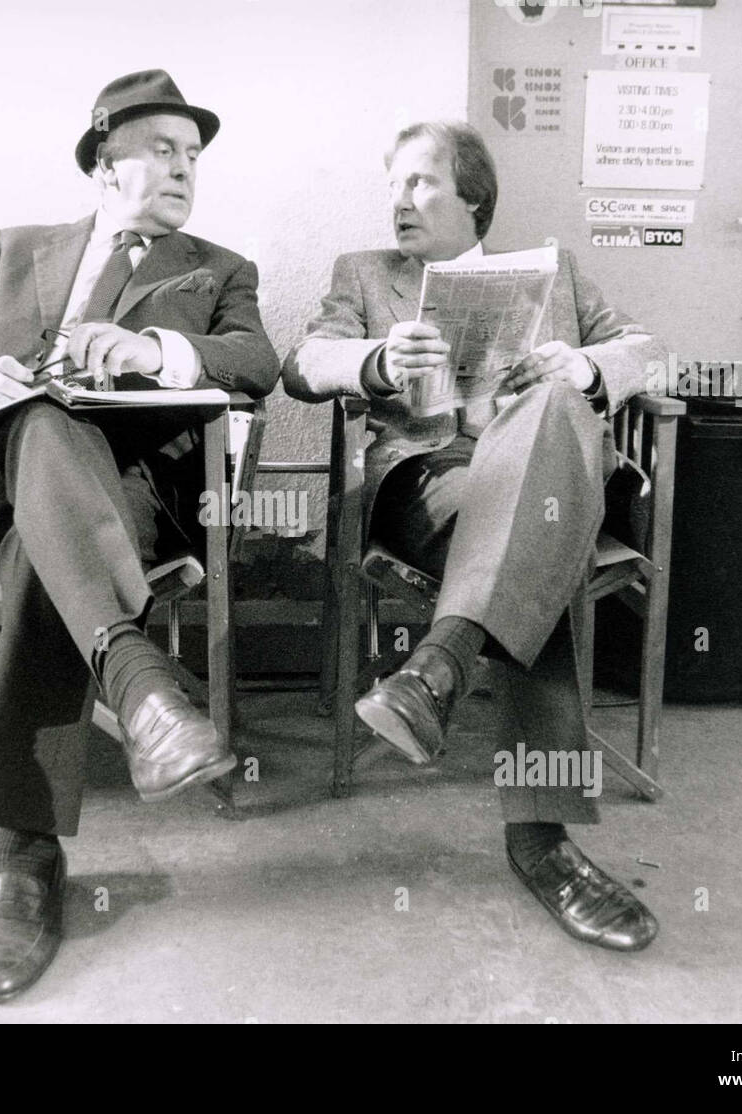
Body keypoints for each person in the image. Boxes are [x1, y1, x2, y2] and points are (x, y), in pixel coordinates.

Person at [0, 70, 280, 999]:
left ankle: (25, 854)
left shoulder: (219, 268)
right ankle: (142, 689)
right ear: (104, 161)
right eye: (163, 149)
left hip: (127, 499)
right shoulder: (18, 245)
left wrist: (156, 350)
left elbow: (257, 362)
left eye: (194, 156)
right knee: (35, 422)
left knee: (47, 546)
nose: (185, 169)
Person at [283, 120, 664, 952]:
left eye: (419, 183)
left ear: (474, 197)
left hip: (549, 478)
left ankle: (438, 666)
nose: (400, 201)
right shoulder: (367, 275)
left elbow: (649, 350)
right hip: (431, 486)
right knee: (539, 550)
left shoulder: (556, 272)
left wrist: (586, 368)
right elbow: (303, 364)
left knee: (552, 441)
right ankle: (544, 842)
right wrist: (377, 359)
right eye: (393, 185)